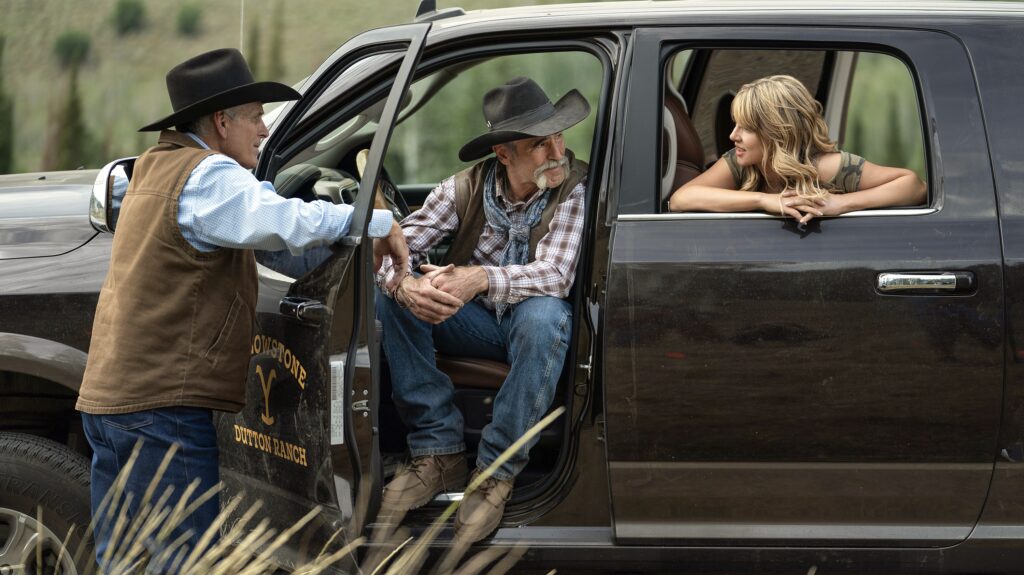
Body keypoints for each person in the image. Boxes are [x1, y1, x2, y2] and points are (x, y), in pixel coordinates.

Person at [75, 48, 407, 571]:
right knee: (184, 561)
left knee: (121, 561)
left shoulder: (158, 167)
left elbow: (255, 209)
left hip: (111, 401)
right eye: (255, 117)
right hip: (164, 408)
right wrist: (375, 223)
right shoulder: (208, 175)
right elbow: (279, 220)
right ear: (221, 121)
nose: (262, 131)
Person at [375, 77, 590, 543]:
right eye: (539, 143)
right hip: (476, 325)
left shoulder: (574, 186)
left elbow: (557, 275)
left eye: (560, 135)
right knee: (392, 294)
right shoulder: (462, 190)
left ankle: (496, 472)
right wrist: (407, 284)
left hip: (536, 330)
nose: (557, 151)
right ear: (503, 155)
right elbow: (394, 252)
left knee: (546, 314)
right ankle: (438, 452)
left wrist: (479, 278)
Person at [668, 74, 926, 220]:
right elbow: (681, 200)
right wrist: (764, 200)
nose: (732, 135)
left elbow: (913, 186)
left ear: (775, 132)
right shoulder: (740, 163)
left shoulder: (829, 167)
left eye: (745, 128)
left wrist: (841, 204)